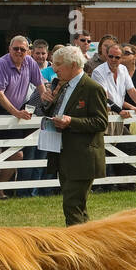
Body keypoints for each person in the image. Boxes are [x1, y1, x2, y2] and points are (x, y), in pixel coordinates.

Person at [38, 44, 107, 226]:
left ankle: (75, 245)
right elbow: (51, 112)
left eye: (59, 64)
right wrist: (46, 103)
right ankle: (86, 242)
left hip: (82, 156)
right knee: (76, 205)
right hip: (63, 153)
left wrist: (71, 122)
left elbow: (101, 122)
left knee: (72, 204)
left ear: (73, 65)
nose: (55, 68)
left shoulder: (92, 88)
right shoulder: (62, 86)